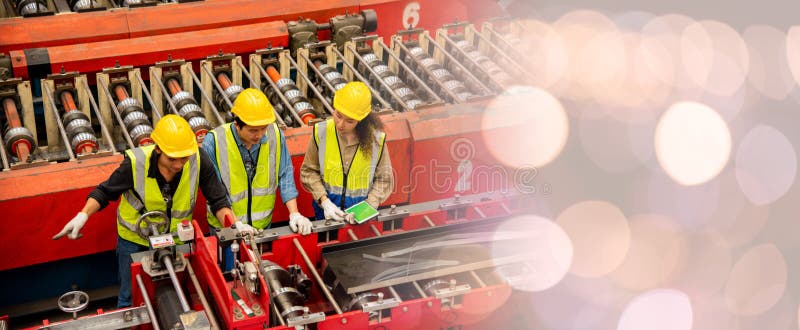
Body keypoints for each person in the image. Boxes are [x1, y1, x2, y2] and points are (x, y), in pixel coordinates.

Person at [52, 114, 236, 308]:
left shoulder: (198, 159)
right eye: (172, 158)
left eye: (184, 158)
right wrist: (82, 215)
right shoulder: (135, 164)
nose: (178, 164)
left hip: (176, 240)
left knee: (180, 292)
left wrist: (234, 226)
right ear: (158, 149)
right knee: (130, 295)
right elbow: (104, 192)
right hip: (134, 241)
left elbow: (218, 200)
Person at [202, 88, 312, 235]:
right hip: (225, 230)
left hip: (263, 228)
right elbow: (216, 193)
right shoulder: (214, 142)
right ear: (237, 124)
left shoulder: (275, 135)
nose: (259, 135)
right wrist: (235, 224)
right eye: (253, 130)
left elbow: (285, 175)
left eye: (263, 128)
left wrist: (294, 213)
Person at [300, 82, 394, 222]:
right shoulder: (321, 132)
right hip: (326, 214)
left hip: (360, 219)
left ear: (361, 120)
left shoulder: (376, 140)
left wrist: (366, 208)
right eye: (338, 115)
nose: (340, 124)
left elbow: (384, 179)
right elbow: (308, 171)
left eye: (350, 121)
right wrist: (325, 202)